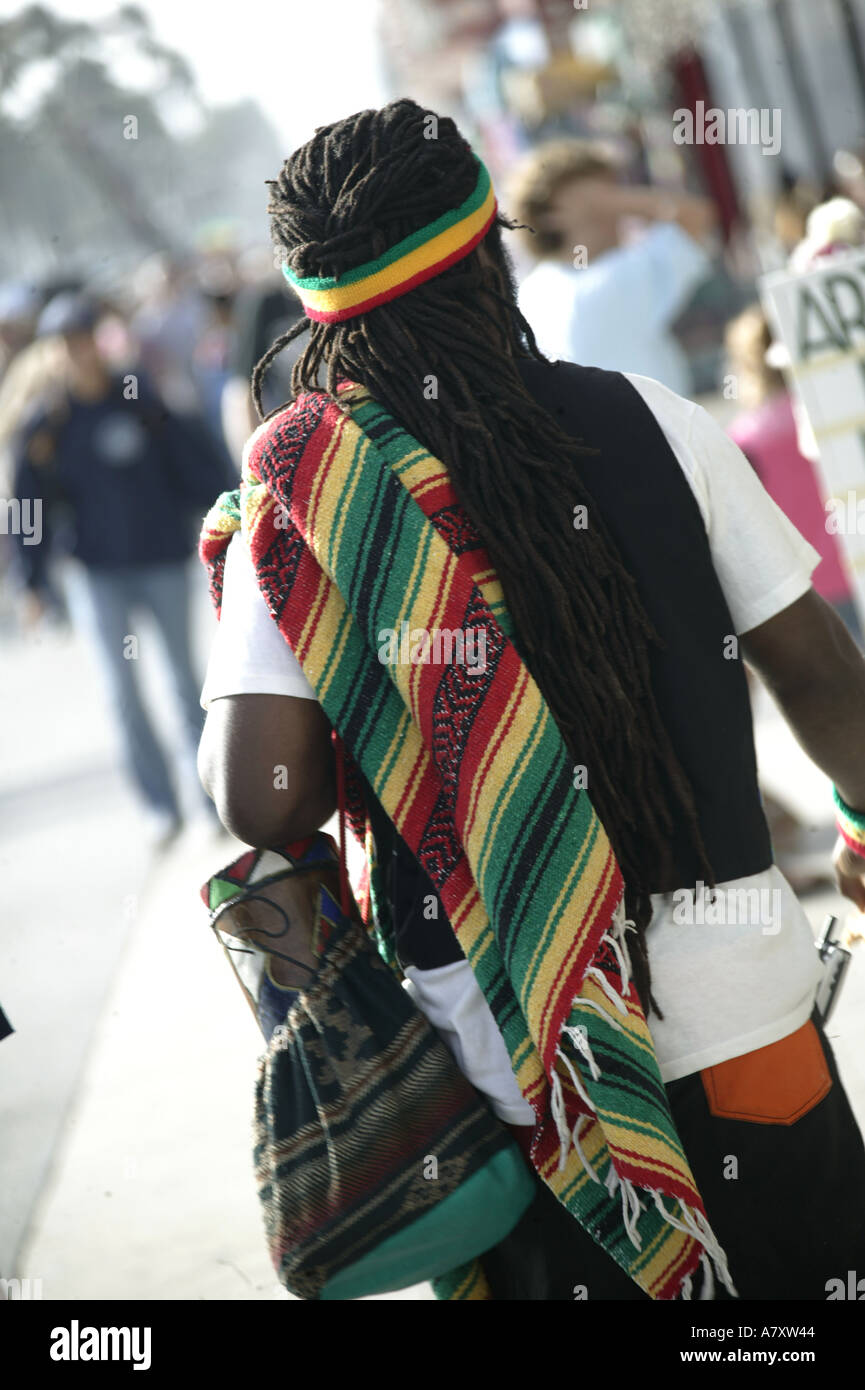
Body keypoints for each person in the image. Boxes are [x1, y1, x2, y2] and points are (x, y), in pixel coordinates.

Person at [197, 99, 865, 1300]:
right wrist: (860, 823)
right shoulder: (651, 421)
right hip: (748, 1022)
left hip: (523, 1083)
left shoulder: (306, 498)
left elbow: (262, 796)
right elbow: (819, 673)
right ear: (489, 253)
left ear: (318, 311)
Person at [12, 291, 233, 847]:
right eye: (67, 344)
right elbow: (28, 505)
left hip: (160, 559)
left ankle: (211, 802)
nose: (79, 352)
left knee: (187, 684)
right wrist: (32, 581)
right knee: (122, 692)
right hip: (96, 573)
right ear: (56, 350)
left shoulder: (135, 394)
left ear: (98, 342)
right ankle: (161, 807)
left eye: (85, 340)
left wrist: (231, 513)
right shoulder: (49, 419)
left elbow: (193, 459)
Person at [511, 138, 716, 394]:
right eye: (604, 191)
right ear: (554, 214)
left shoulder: (536, 291)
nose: (617, 205)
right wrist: (618, 201)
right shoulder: (601, 286)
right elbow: (695, 217)